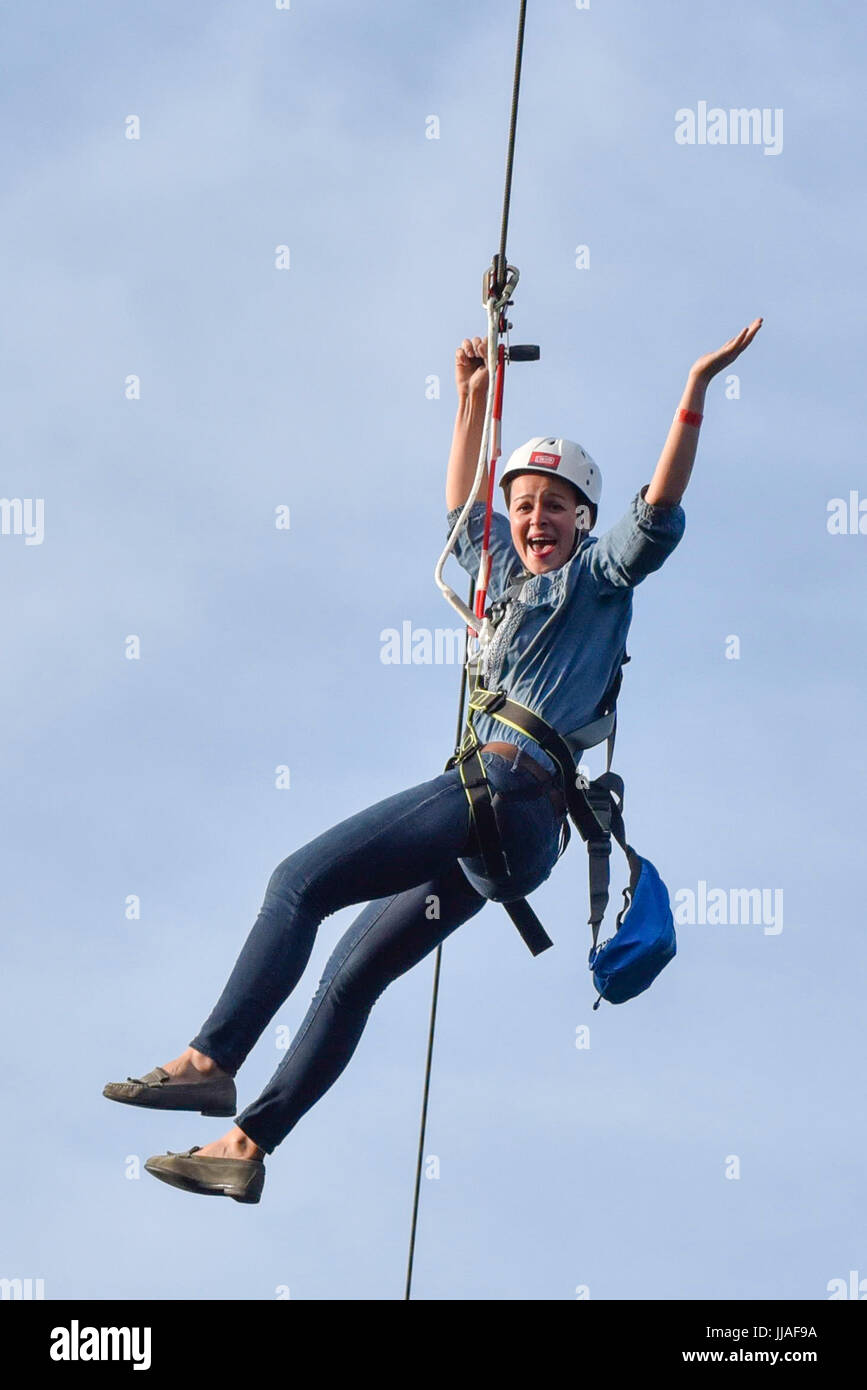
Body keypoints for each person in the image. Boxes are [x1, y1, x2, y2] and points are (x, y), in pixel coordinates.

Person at [103, 318, 763, 1204]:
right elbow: (461, 506)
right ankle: (245, 1144)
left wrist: (694, 387)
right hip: (510, 837)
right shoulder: (500, 579)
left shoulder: (598, 579)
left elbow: (658, 510)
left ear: (581, 522)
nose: (534, 518)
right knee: (351, 975)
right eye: (525, 503)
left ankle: (210, 1057)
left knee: (298, 882)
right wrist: (470, 397)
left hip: (511, 787)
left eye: (554, 507)